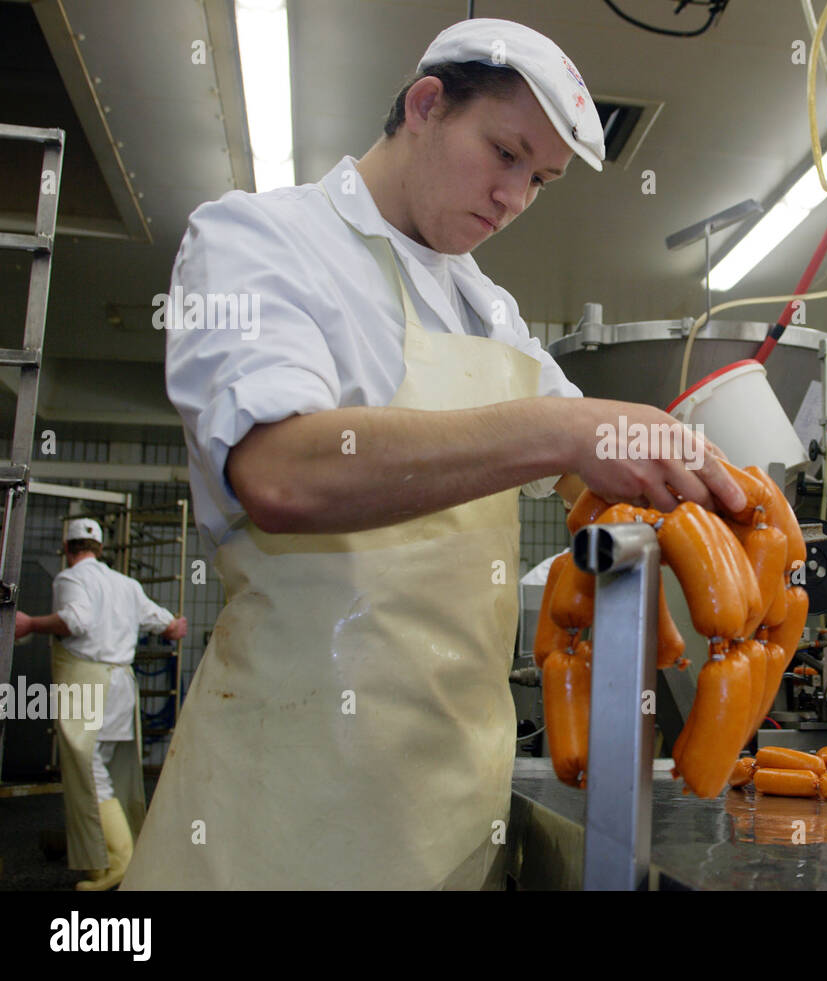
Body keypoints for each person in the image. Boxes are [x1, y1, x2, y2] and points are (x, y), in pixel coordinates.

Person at [123, 18, 740, 890]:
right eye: (504, 153)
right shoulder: (259, 240)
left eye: (541, 180)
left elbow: (615, 464)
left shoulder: (489, 312)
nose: (514, 197)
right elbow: (282, 473)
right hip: (282, 800)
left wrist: (732, 506)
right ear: (425, 105)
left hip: (446, 805)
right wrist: (566, 429)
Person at [13, 517, 187, 890]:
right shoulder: (126, 584)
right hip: (123, 682)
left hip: (88, 681)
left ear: (67, 548)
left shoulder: (70, 579)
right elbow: (165, 623)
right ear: (100, 548)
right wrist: (175, 626)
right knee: (109, 764)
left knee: (88, 768)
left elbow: (76, 622)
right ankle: (115, 847)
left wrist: (30, 624)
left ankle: (116, 860)